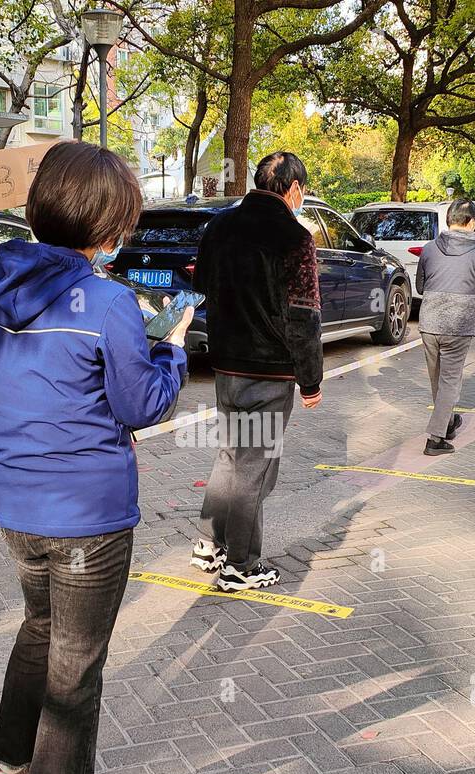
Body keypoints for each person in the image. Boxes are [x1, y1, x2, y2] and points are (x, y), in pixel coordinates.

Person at [0, 141, 190, 774]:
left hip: (17, 504)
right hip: (89, 514)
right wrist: (173, 347)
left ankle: (7, 766)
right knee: (76, 661)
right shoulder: (111, 302)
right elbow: (142, 401)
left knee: (38, 633)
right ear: (105, 223)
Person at [189, 151, 323, 592]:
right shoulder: (295, 238)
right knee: (254, 468)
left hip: (225, 364)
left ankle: (210, 542)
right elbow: (303, 317)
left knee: (230, 454)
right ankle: (241, 565)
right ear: (294, 189)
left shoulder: (219, 226)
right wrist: (311, 380)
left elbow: (200, 283)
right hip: (269, 370)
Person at [415, 197, 475, 454]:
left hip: (429, 322)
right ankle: (436, 438)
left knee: (437, 379)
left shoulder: (429, 248)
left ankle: (448, 421)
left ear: (449, 220)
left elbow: (419, 286)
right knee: (450, 380)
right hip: (459, 324)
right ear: (471, 222)